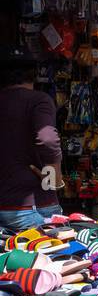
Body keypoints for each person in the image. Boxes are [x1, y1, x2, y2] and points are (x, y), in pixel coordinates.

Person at [0, 50, 60, 231]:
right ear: (34, 74)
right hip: (32, 206)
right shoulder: (38, 100)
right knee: (48, 257)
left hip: (7, 204)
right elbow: (47, 138)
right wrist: (54, 168)